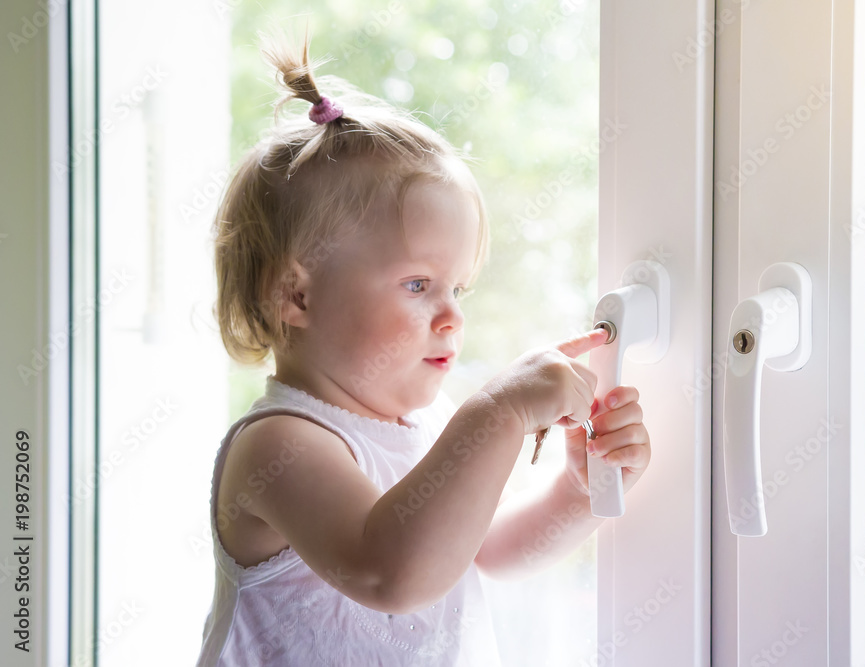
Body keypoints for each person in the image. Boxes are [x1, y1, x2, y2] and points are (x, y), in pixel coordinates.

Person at [196, 33, 651, 667]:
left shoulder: (421, 426)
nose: (452, 315)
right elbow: (393, 574)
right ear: (297, 298)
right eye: (418, 285)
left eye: (457, 287)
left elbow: (483, 549)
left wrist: (575, 494)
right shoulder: (277, 446)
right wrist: (498, 412)